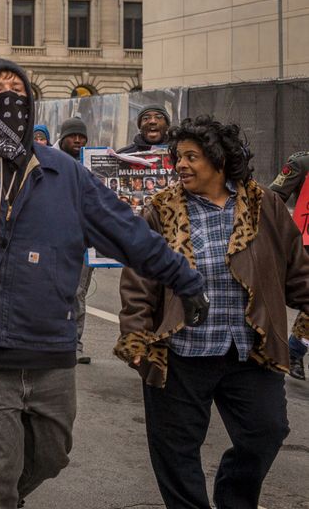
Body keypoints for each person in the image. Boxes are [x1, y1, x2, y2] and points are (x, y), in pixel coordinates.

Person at [0, 55, 209, 509]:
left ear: (31, 105)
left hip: (49, 345)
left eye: (18, 93)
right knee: (0, 476)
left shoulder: (66, 175)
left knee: (52, 456)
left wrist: (182, 278)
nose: (8, 101)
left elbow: (126, 231)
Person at [116, 116, 309, 509]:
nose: (181, 165)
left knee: (266, 432)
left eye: (192, 156)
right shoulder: (161, 209)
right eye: (178, 157)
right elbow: (140, 277)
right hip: (181, 351)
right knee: (175, 450)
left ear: (220, 160)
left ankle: (234, 500)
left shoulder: (264, 206)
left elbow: (296, 270)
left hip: (248, 350)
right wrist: (135, 334)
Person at [56, 118, 96, 365]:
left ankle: (75, 344)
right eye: (73, 136)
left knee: (78, 293)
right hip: (55, 240)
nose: (78, 141)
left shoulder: (93, 168)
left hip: (82, 242)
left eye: (82, 137)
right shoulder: (51, 164)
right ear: (63, 139)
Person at [270, 150, 309, 380]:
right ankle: (294, 350)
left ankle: (295, 348)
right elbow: (273, 198)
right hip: (304, 245)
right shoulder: (302, 163)